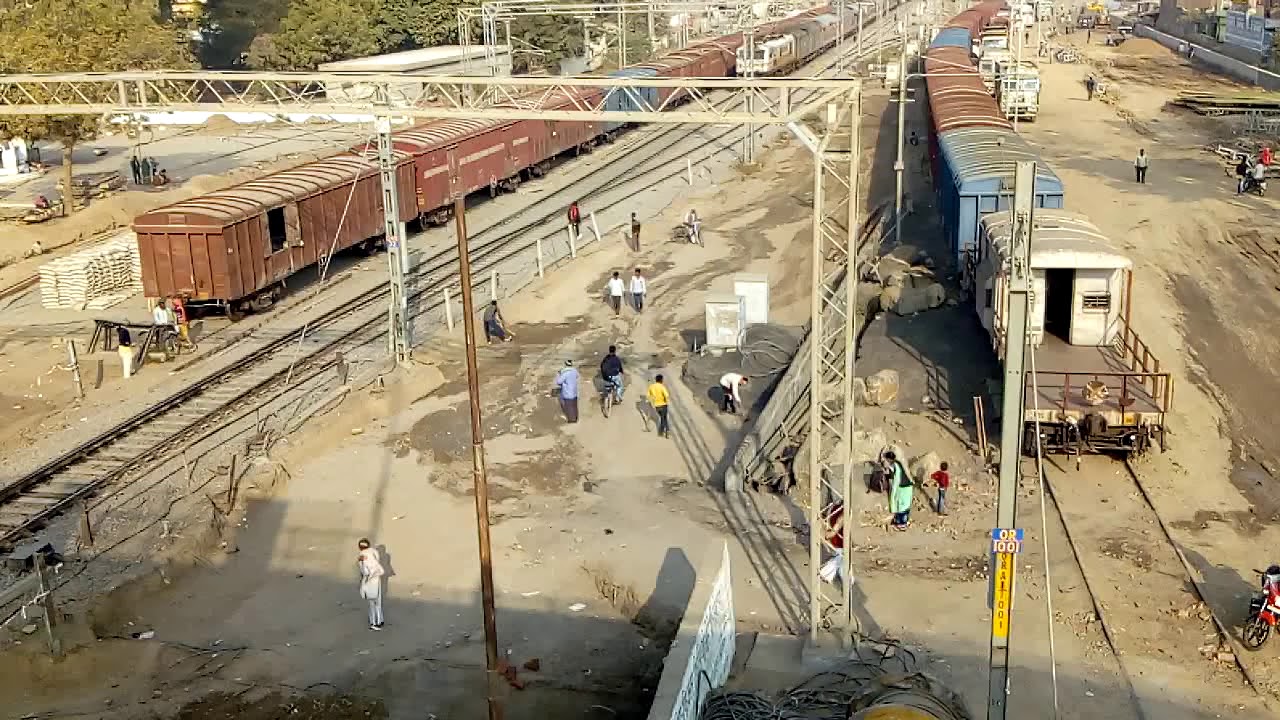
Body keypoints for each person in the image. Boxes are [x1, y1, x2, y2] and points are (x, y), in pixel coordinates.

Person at [357, 538, 385, 630]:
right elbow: (377, 561)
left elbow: (364, 571)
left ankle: (374, 622)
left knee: (371, 602)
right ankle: (380, 620)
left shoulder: (361, 556)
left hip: (369, 579)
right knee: (378, 600)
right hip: (377, 577)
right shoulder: (374, 551)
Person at [888, 454, 913, 530]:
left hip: (902, 489)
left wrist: (892, 495)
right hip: (907, 487)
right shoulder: (899, 463)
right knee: (905, 506)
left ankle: (901, 524)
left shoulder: (895, 467)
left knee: (901, 508)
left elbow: (896, 482)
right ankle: (904, 522)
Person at [647, 374, 671, 438]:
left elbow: (648, 396)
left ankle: (666, 431)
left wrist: (650, 401)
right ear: (661, 380)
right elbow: (666, 395)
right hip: (663, 405)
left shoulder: (651, 386)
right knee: (664, 418)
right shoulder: (662, 387)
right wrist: (667, 402)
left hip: (657, 406)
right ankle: (663, 431)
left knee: (663, 418)